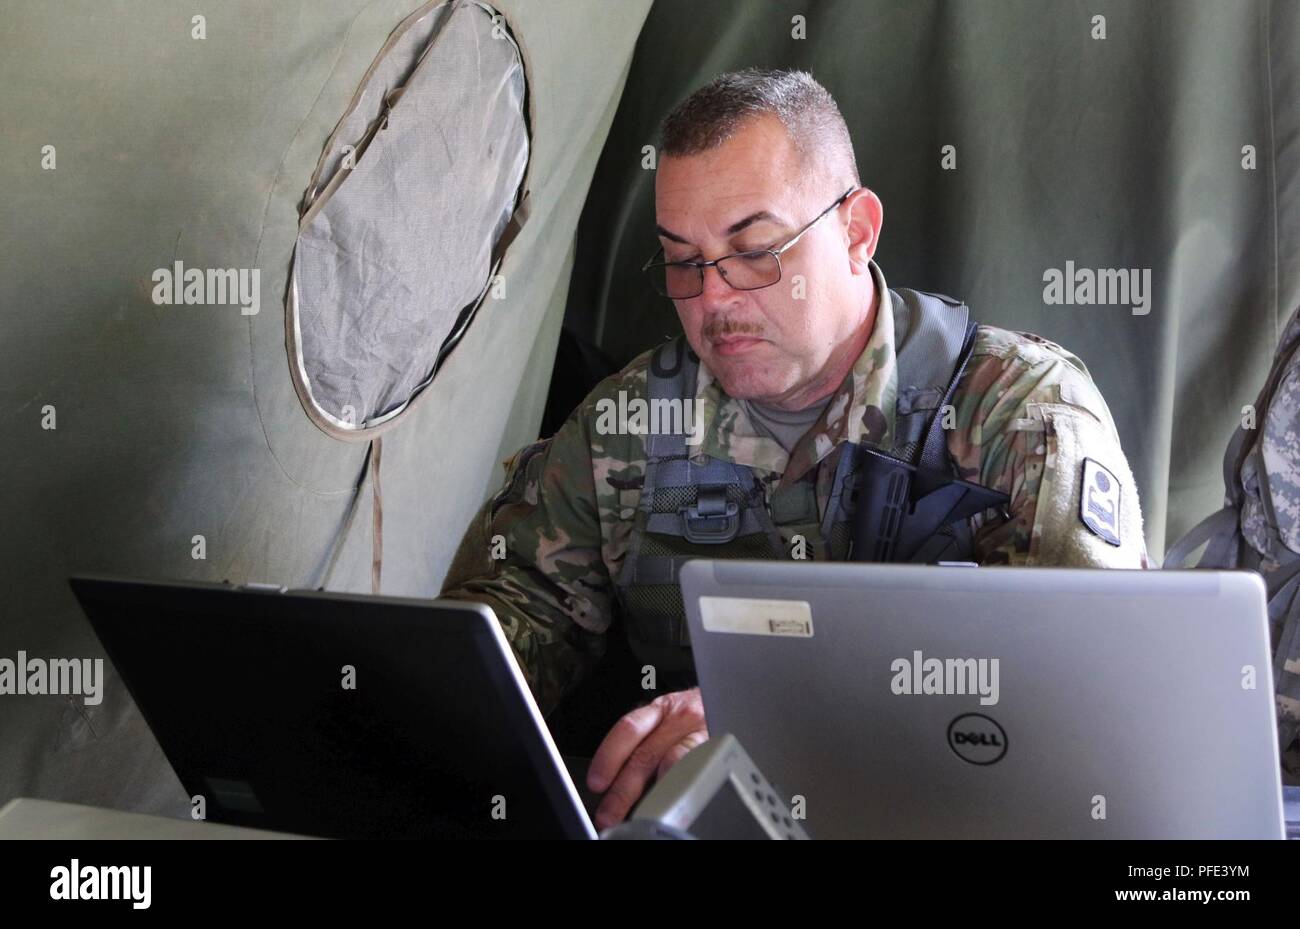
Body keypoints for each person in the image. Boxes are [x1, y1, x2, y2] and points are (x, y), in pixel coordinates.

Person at [442, 68, 1148, 830]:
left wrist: (771, 717)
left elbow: (1086, 691)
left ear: (856, 231)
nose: (714, 299)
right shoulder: (626, 425)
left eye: (755, 251)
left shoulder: (1018, 412)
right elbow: (494, 644)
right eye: (683, 261)